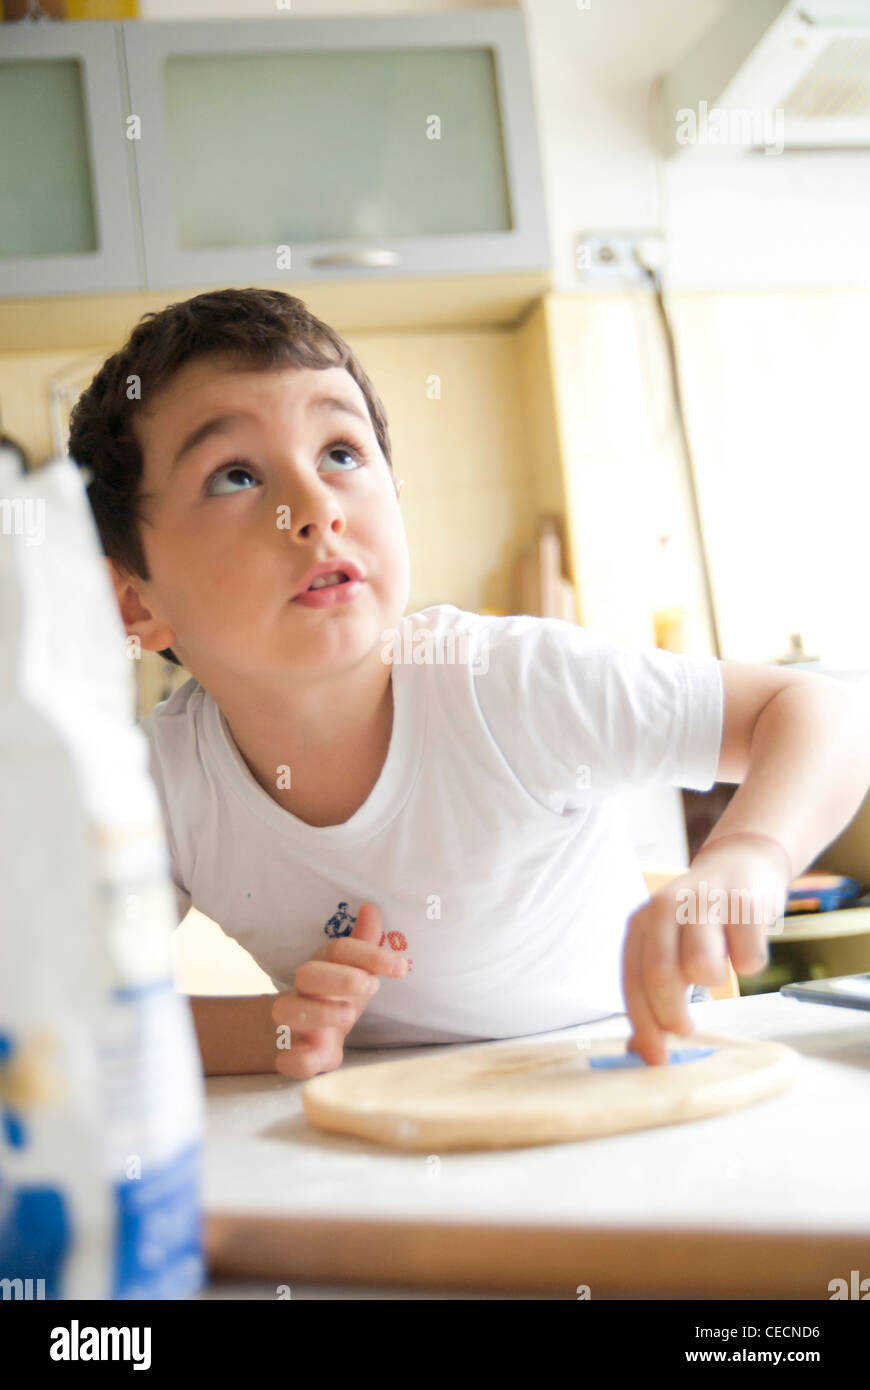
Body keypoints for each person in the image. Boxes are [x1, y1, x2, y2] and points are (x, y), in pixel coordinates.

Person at [67, 287, 870, 1079]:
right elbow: (69, 1012)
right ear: (136, 601)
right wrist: (276, 1029)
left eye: (341, 454)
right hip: (398, 1143)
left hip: (629, 1092)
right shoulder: (157, 784)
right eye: (236, 475)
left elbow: (820, 711)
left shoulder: (506, 682)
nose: (314, 508)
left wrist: (750, 857)